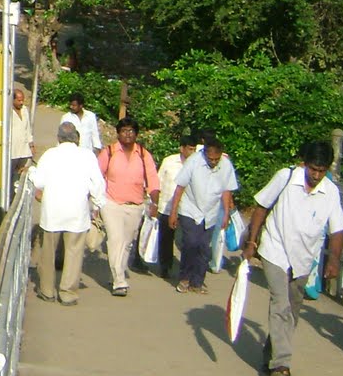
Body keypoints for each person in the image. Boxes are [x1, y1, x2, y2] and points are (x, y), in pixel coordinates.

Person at [243, 141, 343, 376]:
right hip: (275, 249)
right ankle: (282, 363)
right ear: (304, 163)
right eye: (313, 169)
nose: (316, 175)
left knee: (291, 309)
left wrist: (333, 260)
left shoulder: (330, 191)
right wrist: (252, 241)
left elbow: (338, 229)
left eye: (322, 171)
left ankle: (271, 353)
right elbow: (261, 207)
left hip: (304, 258)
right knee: (280, 302)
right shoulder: (286, 177)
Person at [30, 122, 107, 305]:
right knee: (73, 254)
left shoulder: (50, 155)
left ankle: (47, 291)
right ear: (77, 138)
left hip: (52, 213)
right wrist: (97, 206)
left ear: (58, 138)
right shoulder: (87, 156)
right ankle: (68, 293)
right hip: (77, 213)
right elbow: (98, 184)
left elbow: (39, 182)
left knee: (48, 253)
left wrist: (32, 171)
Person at [95, 117, 159, 297]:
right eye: (124, 131)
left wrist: (154, 202)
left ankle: (115, 272)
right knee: (115, 240)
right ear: (118, 133)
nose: (127, 134)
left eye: (131, 131)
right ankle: (119, 281)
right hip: (111, 203)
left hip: (136, 205)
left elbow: (153, 180)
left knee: (127, 243)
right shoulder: (109, 152)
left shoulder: (144, 154)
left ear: (136, 134)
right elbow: (96, 176)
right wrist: (94, 203)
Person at [169, 136, 237, 293]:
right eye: (210, 159)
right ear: (205, 153)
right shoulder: (193, 161)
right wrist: (173, 212)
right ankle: (185, 277)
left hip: (211, 213)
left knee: (204, 249)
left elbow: (227, 191)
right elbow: (180, 187)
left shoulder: (226, 165)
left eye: (216, 159)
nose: (213, 162)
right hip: (189, 208)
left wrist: (226, 214)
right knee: (191, 243)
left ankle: (197, 282)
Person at [153, 138, 197, 279]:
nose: (193, 152)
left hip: (187, 209)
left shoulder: (198, 164)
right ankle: (165, 267)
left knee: (187, 240)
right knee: (166, 239)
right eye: (190, 148)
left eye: (194, 149)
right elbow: (158, 182)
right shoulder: (169, 162)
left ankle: (187, 270)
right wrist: (153, 203)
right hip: (166, 206)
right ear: (182, 148)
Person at [5, 86, 35, 179]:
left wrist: (31, 145)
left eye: (22, 100)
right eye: (19, 100)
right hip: (12, 151)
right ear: (12, 100)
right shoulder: (6, 111)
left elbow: (28, 129)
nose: (21, 102)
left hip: (24, 150)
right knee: (9, 176)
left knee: (22, 175)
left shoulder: (24, 110)